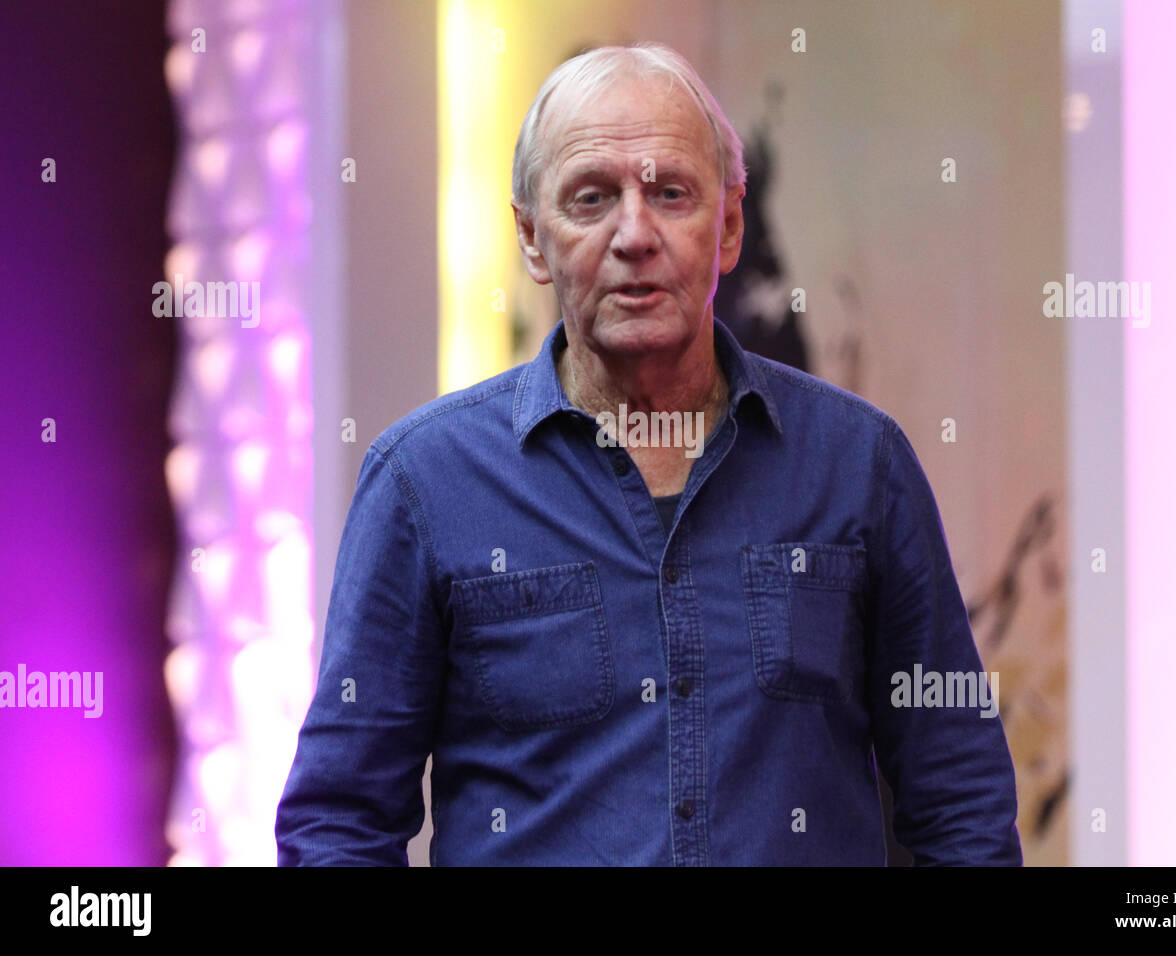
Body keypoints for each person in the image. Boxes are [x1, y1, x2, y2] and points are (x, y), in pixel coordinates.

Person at [275, 41, 1022, 866]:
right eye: (591, 199)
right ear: (531, 239)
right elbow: (338, 824)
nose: (635, 234)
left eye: (671, 193)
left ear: (730, 224)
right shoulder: (425, 482)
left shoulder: (858, 463)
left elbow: (960, 801)